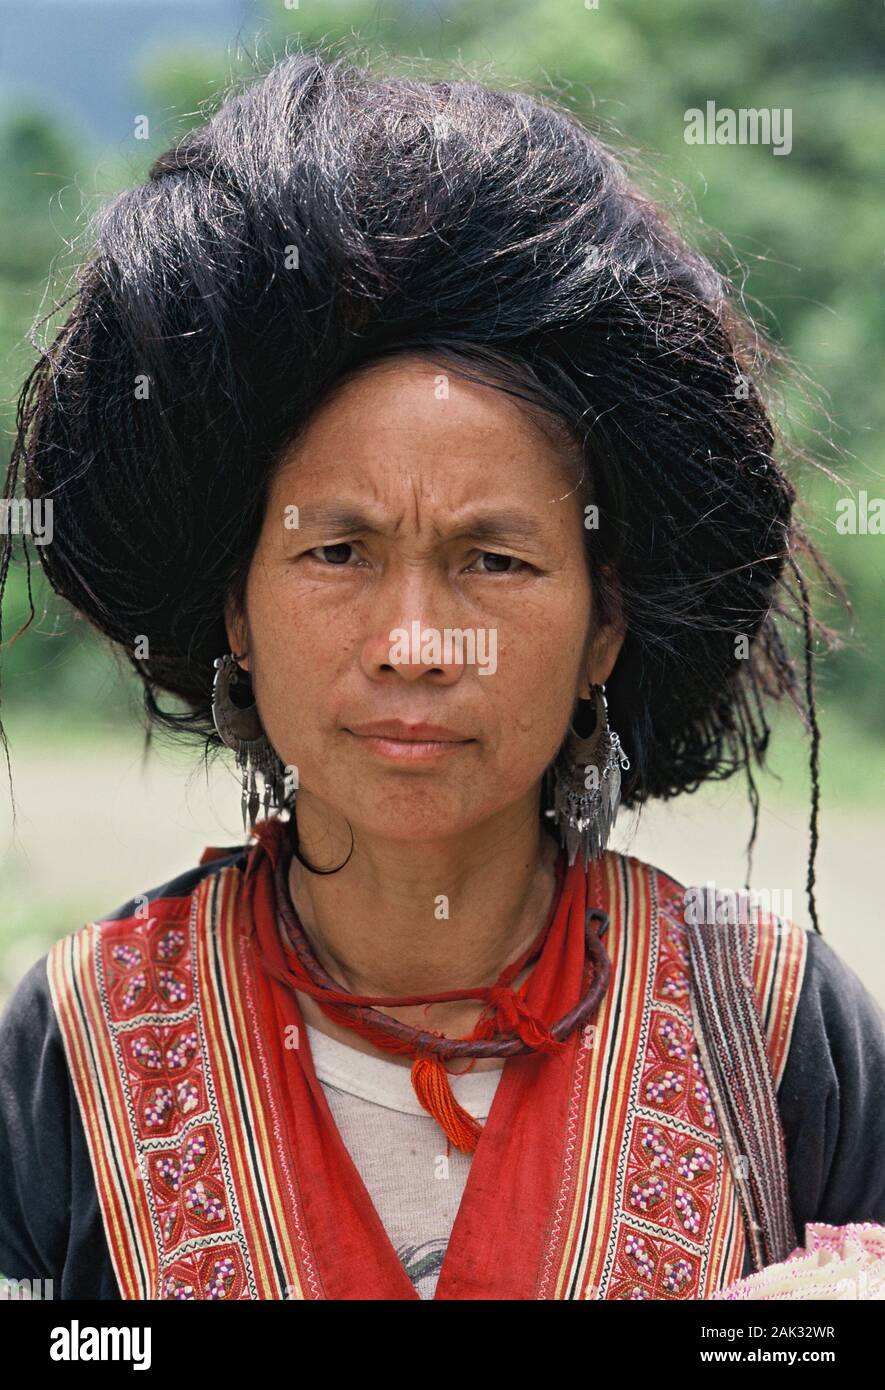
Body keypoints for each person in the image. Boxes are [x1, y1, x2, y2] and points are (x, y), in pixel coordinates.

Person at [1, 52, 883, 1302]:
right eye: (338, 551)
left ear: (605, 625)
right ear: (237, 607)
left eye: (495, 560)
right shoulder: (76, 1045)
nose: (415, 641)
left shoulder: (777, 1027)